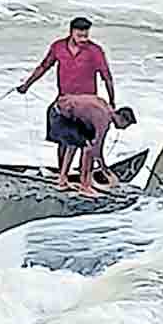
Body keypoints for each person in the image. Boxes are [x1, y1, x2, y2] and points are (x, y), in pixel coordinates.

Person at [15, 17, 116, 177]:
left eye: (86, 35)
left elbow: (107, 77)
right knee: (64, 140)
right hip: (65, 102)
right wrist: (27, 85)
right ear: (71, 32)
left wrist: (112, 102)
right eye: (80, 36)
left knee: (87, 143)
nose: (84, 39)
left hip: (87, 106)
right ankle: (63, 173)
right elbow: (44, 66)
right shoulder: (58, 47)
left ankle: (85, 176)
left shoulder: (95, 51)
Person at [49, 94, 136, 196]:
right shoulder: (103, 119)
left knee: (75, 143)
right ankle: (85, 186)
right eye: (126, 125)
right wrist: (106, 172)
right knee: (87, 148)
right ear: (122, 118)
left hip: (58, 111)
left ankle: (63, 179)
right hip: (60, 118)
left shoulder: (105, 107)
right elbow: (96, 150)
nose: (125, 128)